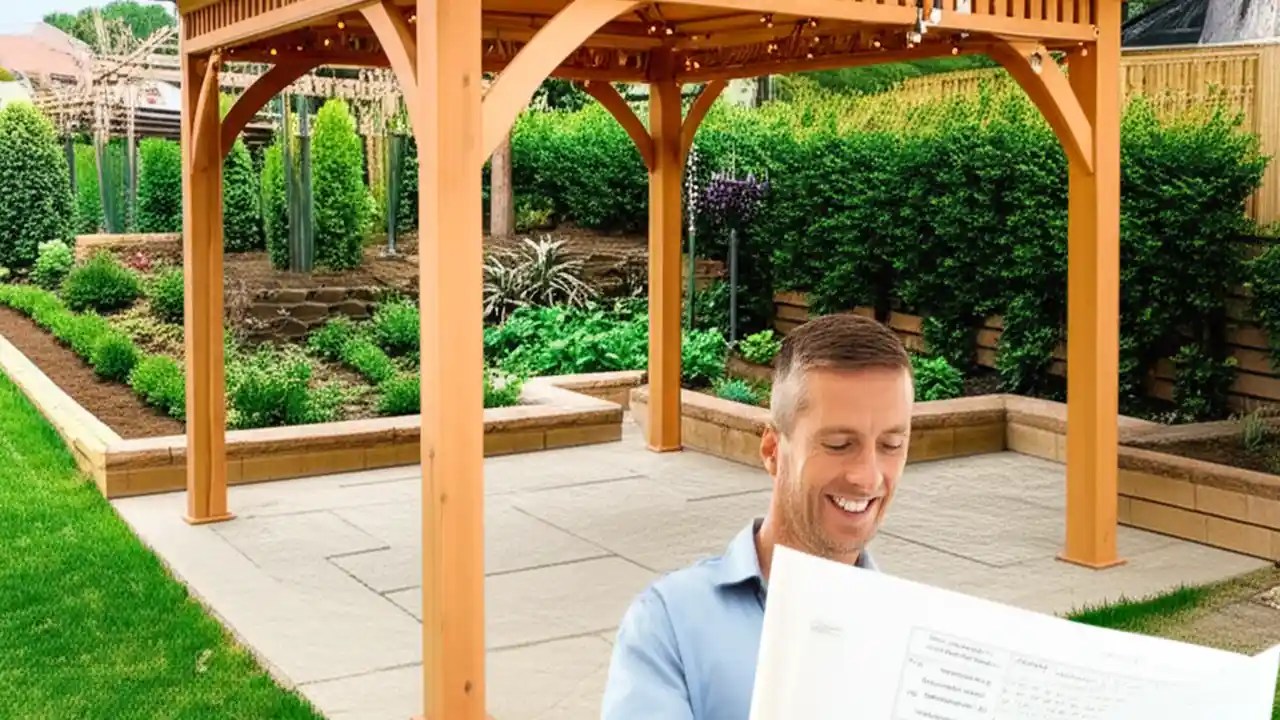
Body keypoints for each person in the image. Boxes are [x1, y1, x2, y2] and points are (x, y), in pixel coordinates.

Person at [599, 312, 915, 720]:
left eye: (891, 444)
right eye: (838, 444)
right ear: (771, 450)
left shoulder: (914, 635)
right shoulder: (671, 624)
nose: (868, 477)